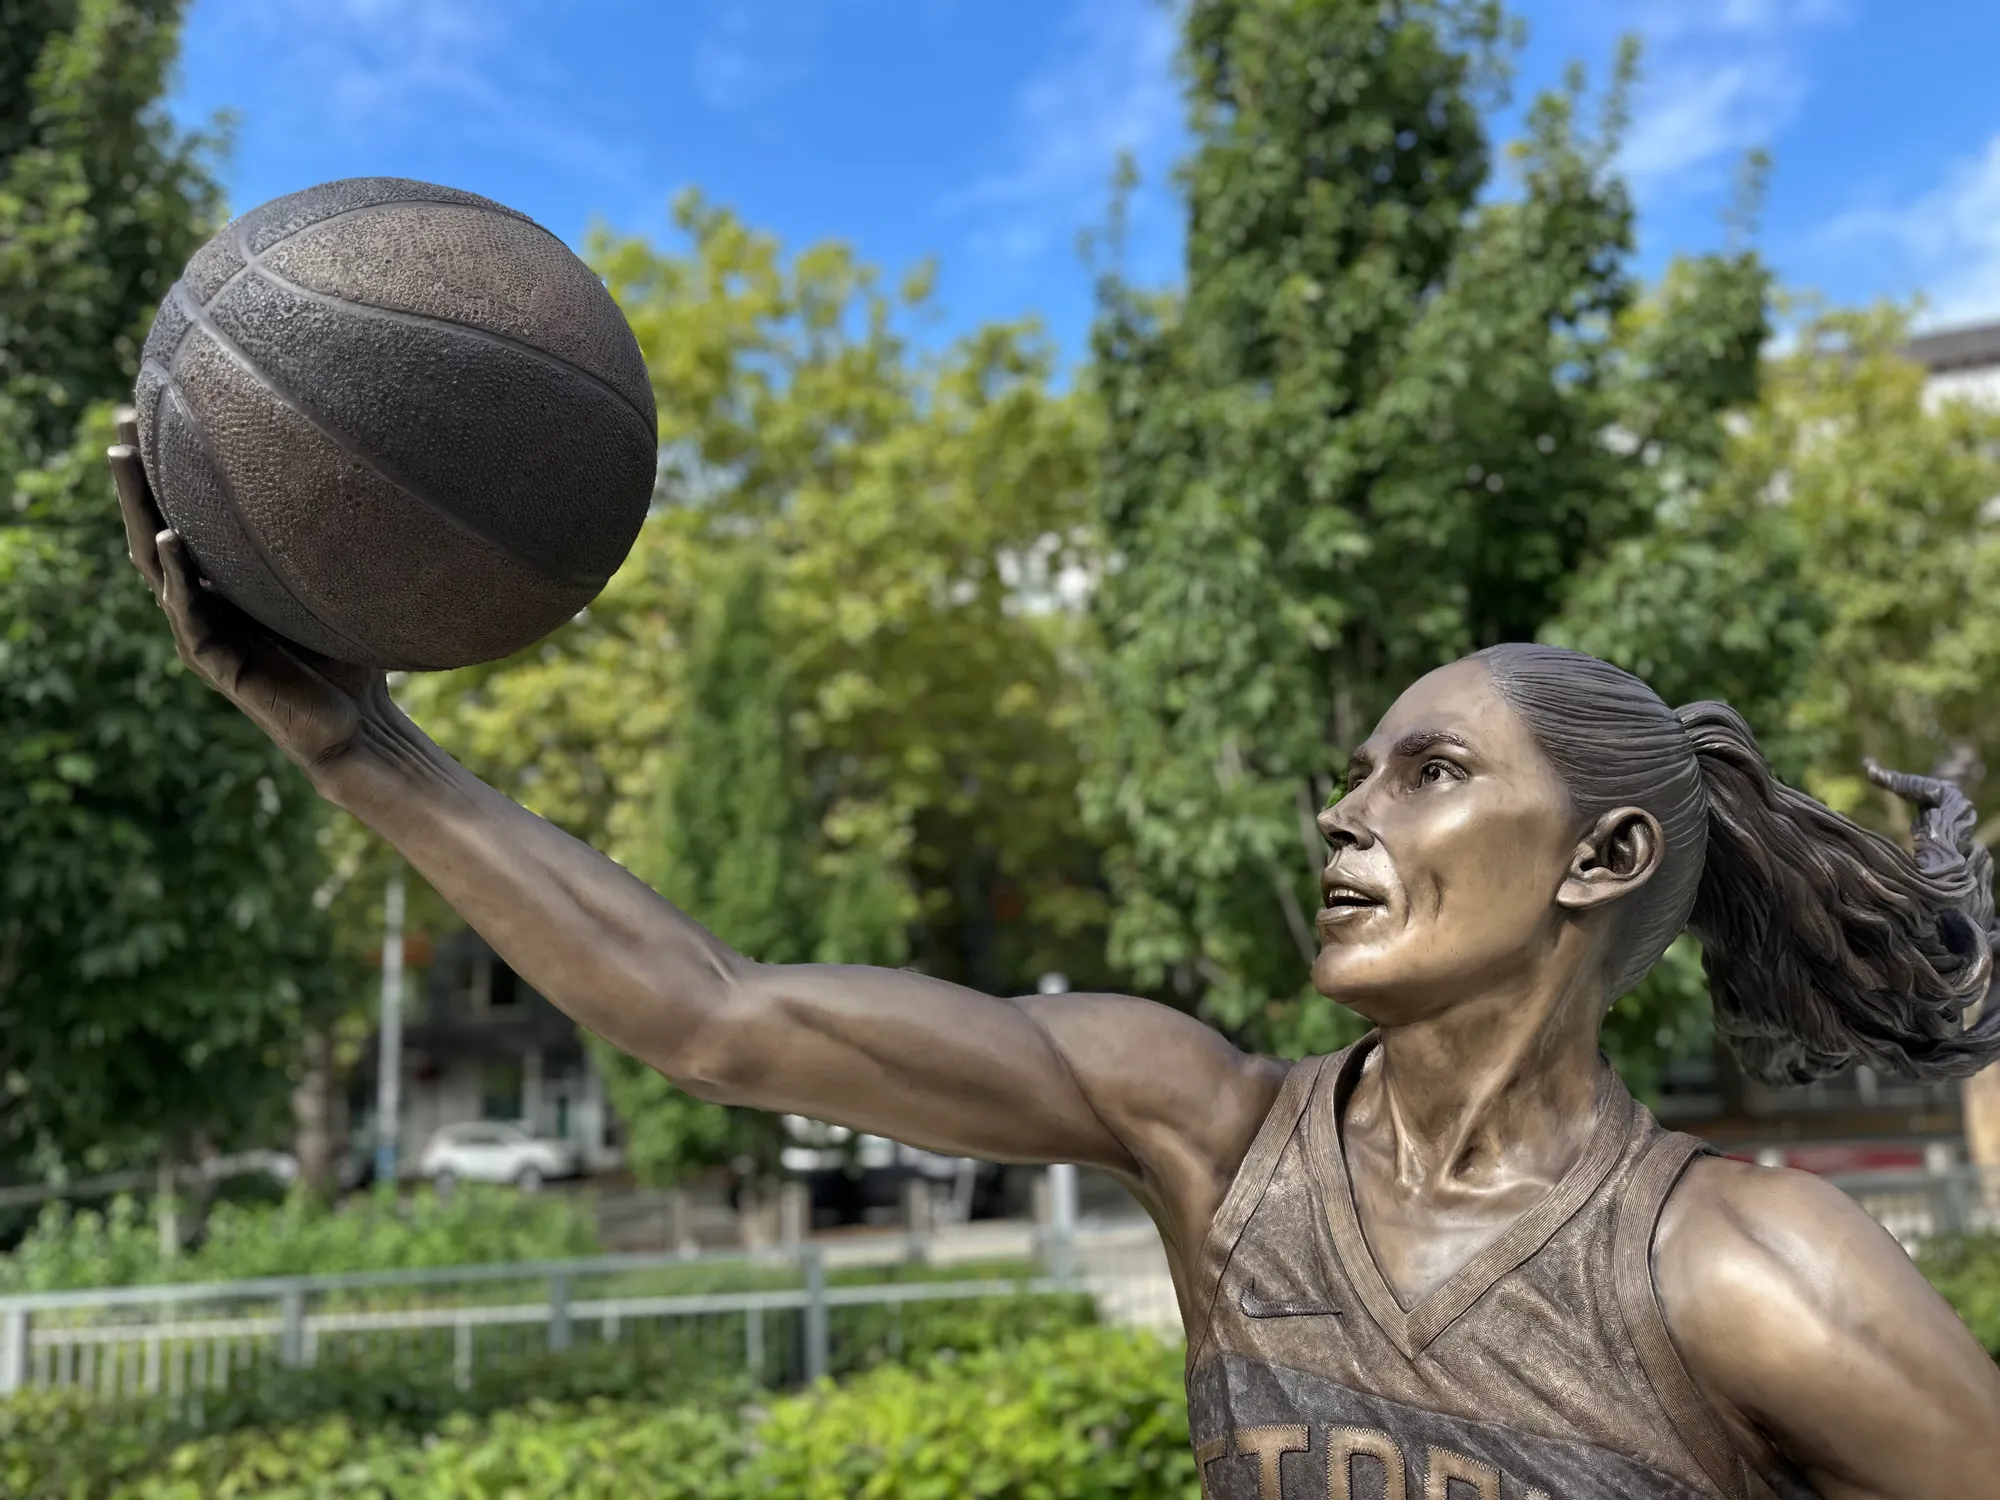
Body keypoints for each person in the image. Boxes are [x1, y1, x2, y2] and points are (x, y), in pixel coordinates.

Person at [108, 428, 2000, 1500]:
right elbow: (717, 1013)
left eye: (1429, 776)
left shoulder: (1753, 1274)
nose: (1348, 818)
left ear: (1605, 856)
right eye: (1353, 776)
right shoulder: (1206, 1129)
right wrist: (357, 744)